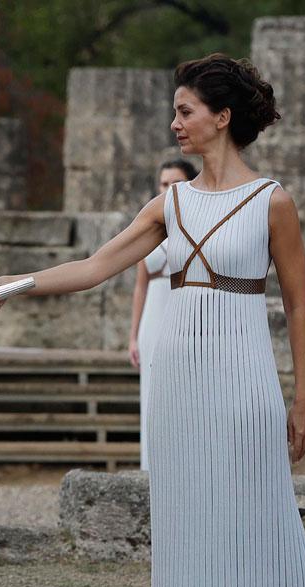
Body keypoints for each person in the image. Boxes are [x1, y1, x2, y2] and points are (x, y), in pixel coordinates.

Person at [0, 53, 305, 587]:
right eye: (176, 111)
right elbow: (94, 266)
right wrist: (9, 288)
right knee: (181, 530)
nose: (175, 123)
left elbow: (297, 306)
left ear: (221, 117)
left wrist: (304, 397)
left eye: (186, 111)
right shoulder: (168, 202)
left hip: (242, 377)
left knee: (264, 525)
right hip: (179, 384)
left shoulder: (272, 201)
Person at [128, 159, 199, 470]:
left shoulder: (197, 225)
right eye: (163, 184)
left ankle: (183, 465)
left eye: (174, 183)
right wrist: (133, 336)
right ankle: (150, 467)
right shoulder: (150, 225)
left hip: (183, 311)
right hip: (153, 314)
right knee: (151, 397)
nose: (168, 189)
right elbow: (140, 286)